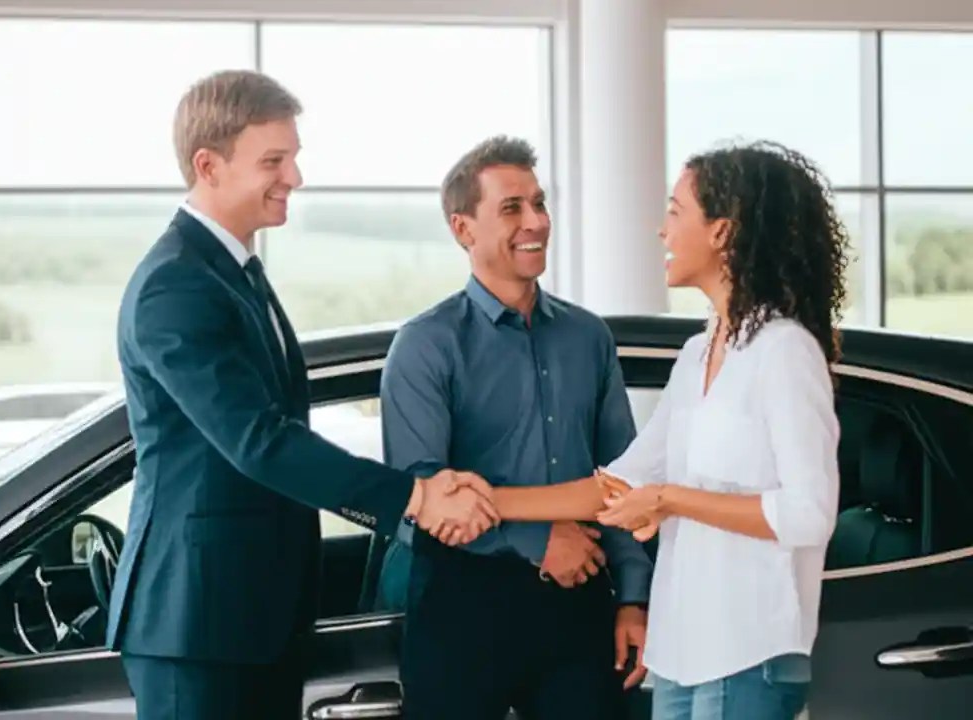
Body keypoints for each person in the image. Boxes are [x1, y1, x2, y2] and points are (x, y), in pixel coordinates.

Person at [107, 69, 499, 720]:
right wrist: (415, 497)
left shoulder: (232, 274)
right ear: (209, 165)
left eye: (293, 157)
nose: (294, 176)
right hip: (197, 625)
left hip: (250, 620)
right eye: (274, 160)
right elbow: (259, 442)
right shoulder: (174, 287)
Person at [495, 140, 848, 720]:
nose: (662, 231)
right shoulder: (697, 352)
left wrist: (670, 499)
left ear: (723, 232)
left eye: (676, 211)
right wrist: (487, 501)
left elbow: (810, 513)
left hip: (748, 654)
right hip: (681, 655)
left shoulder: (784, 351)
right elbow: (616, 485)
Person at [377, 135, 654, 720]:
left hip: (579, 605)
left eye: (539, 203)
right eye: (512, 208)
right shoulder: (426, 346)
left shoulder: (588, 337)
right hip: (461, 611)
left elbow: (626, 478)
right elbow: (416, 495)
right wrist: (539, 541)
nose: (536, 221)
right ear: (463, 228)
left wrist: (633, 598)